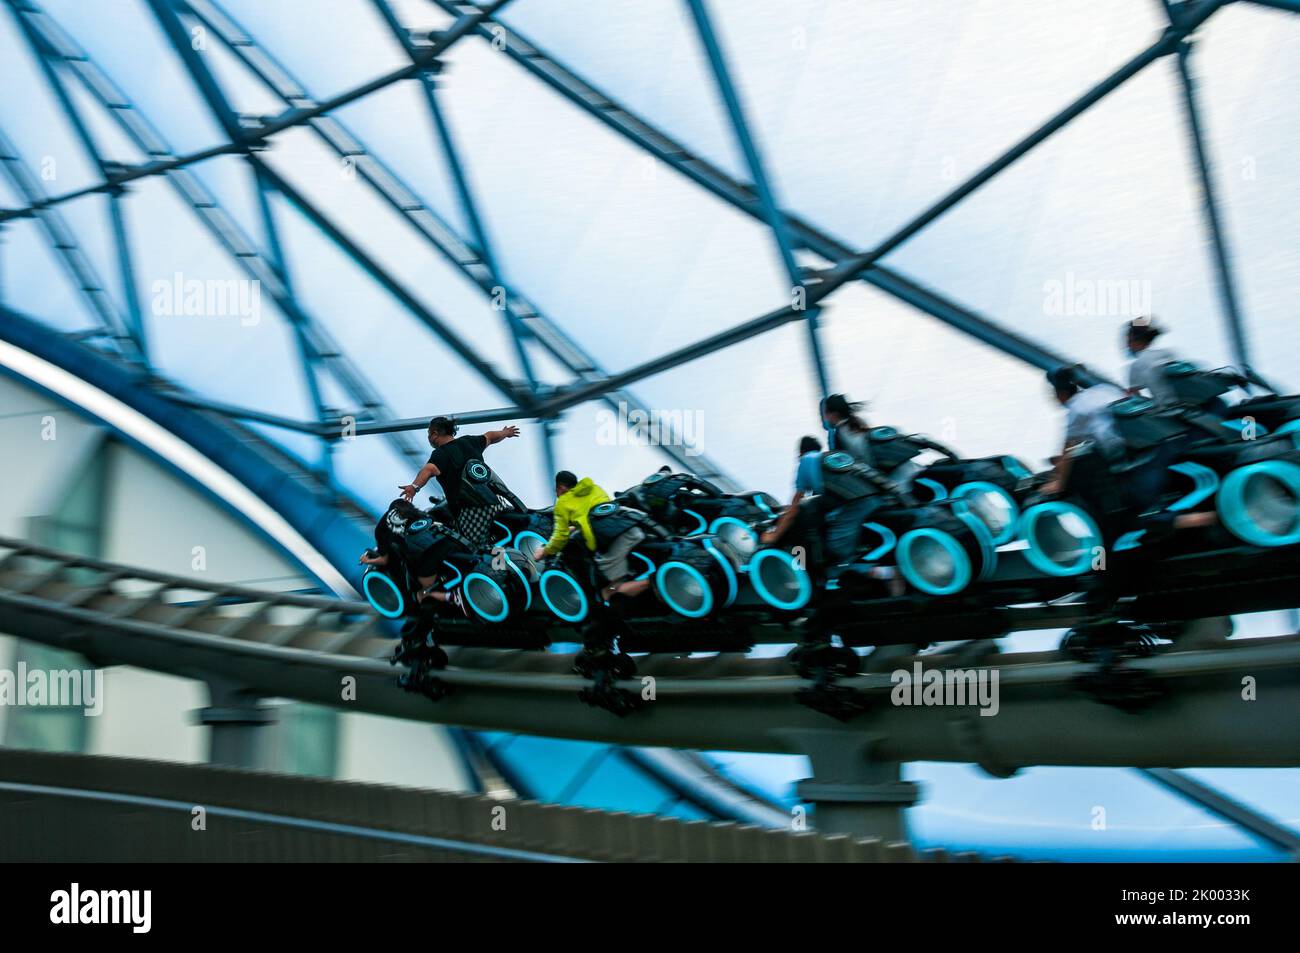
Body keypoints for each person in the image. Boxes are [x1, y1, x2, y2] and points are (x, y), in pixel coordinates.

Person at [399, 416, 520, 548]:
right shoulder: (469, 441)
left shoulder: (440, 453)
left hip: (471, 511)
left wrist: (414, 487)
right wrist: (505, 433)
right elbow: (490, 437)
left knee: (473, 549)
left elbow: (429, 469)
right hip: (497, 501)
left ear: (435, 434)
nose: (428, 438)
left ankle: (492, 559)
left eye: (429, 434)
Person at [360, 499, 474, 605]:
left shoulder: (381, 531)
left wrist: (367, 560)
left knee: (422, 593)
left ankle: (452, 597)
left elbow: (384, 560)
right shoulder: (422, 514)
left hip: (431, 556)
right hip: (454, 541)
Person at [1040, 365, 1127, 497]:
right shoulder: (1104, 389)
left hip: (1116, 453)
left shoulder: (1075, 409)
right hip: (1134, 442)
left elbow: (1067, 450)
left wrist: (1059, 484)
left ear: (1060, 394)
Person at [534, 471, 611, 561]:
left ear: (561, 487)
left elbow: (560, 536)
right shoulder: (595, 488)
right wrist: (577, 527)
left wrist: (545, 551)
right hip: (617, 525)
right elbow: (598, 513)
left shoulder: (563, 503)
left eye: (556, 488)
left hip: (601, 541)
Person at [1123, 317, 1179, 405]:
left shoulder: (1136, 365)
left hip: (1167, 409)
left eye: (1128, 341)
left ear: (1134, 340)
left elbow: (1134, 398)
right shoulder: (1169, 353)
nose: (1126, 345)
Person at [821, 394, 873, 465]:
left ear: (835, 414)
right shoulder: (859, 421)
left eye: (826, 414)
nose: (826, 418)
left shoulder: (840, 433)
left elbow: (840, 462)